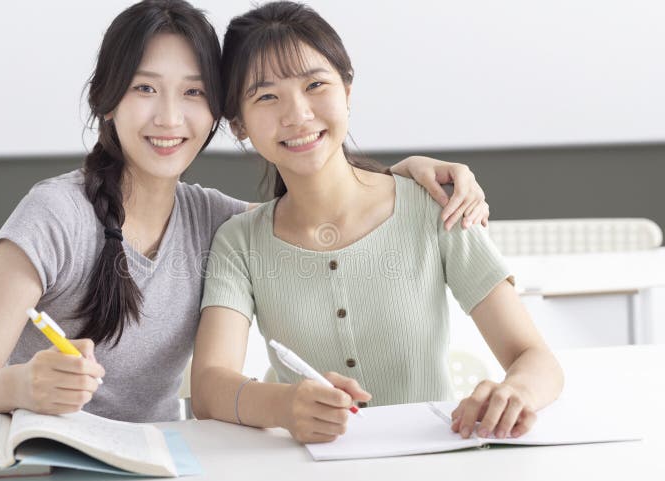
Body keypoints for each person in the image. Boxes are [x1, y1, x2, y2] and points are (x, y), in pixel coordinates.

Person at [0, 0, 492, 423]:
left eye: (194, 93)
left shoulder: (214, 221)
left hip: (159, 467)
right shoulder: (54, 214)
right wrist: (21, 386)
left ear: (220, 116)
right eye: (144, 89)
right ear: (106, 100)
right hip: (40, 464)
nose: (170, 118)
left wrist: (403, 174)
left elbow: (321, 205)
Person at [191, 1, 563, 443]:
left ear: (347, 92)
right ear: (238, 125)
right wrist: (286, 406)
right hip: (304, 477)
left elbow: (536, 358)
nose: (297, 114)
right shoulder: (239, 243)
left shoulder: (433, 208)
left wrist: (514, 392)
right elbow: (209, 388)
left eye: (316, 85)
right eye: (267, 96)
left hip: (433, 467)